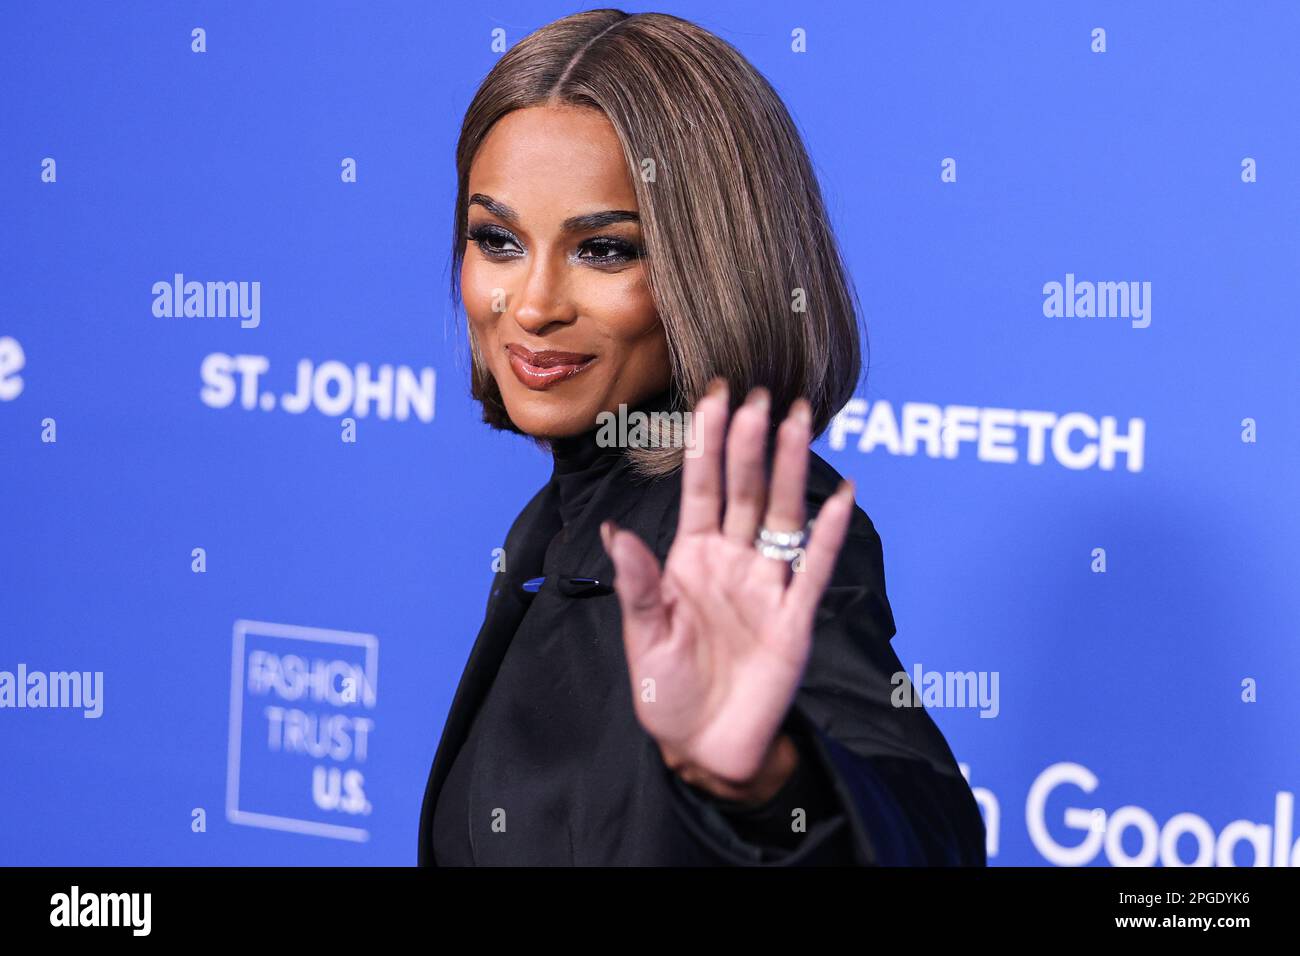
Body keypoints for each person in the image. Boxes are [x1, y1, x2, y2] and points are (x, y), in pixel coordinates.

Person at [417, 8, 986, 866]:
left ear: (709, 266)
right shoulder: (556, 522)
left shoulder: (753, 513)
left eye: (604, 251)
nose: (530, 305)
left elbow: (924, 832)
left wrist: (765, 785)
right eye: (496, 240)